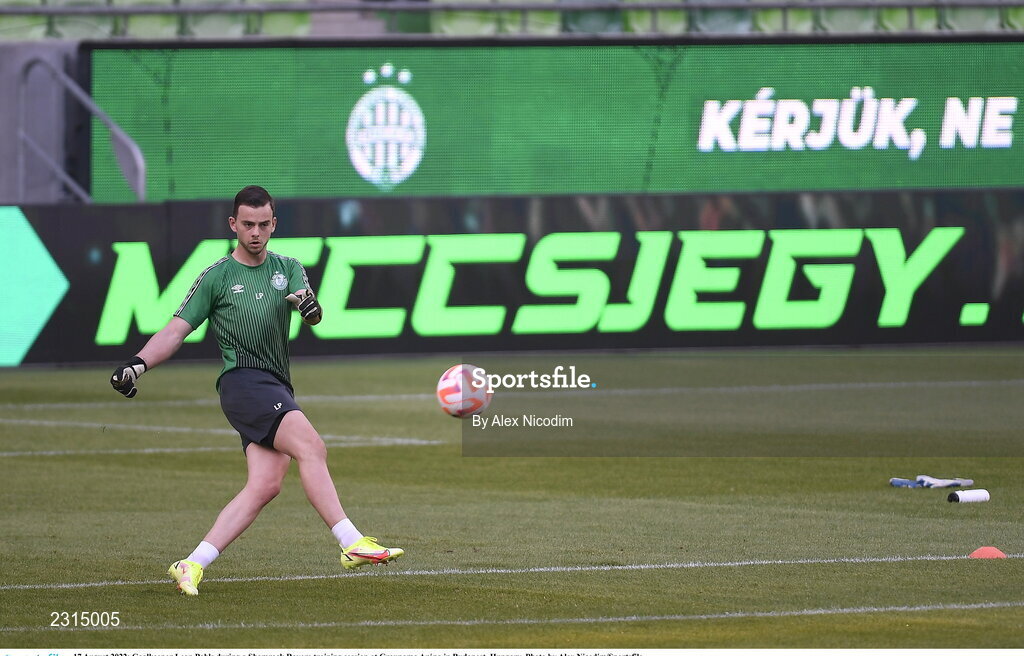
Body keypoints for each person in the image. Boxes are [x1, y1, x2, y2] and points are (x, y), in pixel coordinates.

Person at [110, 185, 403, 596]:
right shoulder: (216, 276)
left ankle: (191, 563)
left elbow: (310, 309)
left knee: (265, 484)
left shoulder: (289, 266)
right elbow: (176, 330)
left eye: (264, 224)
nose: (255, 232)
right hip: (243, 383)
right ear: (233, 224)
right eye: (247, 224)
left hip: (274, 384)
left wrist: (310, 309)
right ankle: (351, 542)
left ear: (274, 224)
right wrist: (137, 364)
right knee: (312, 447)